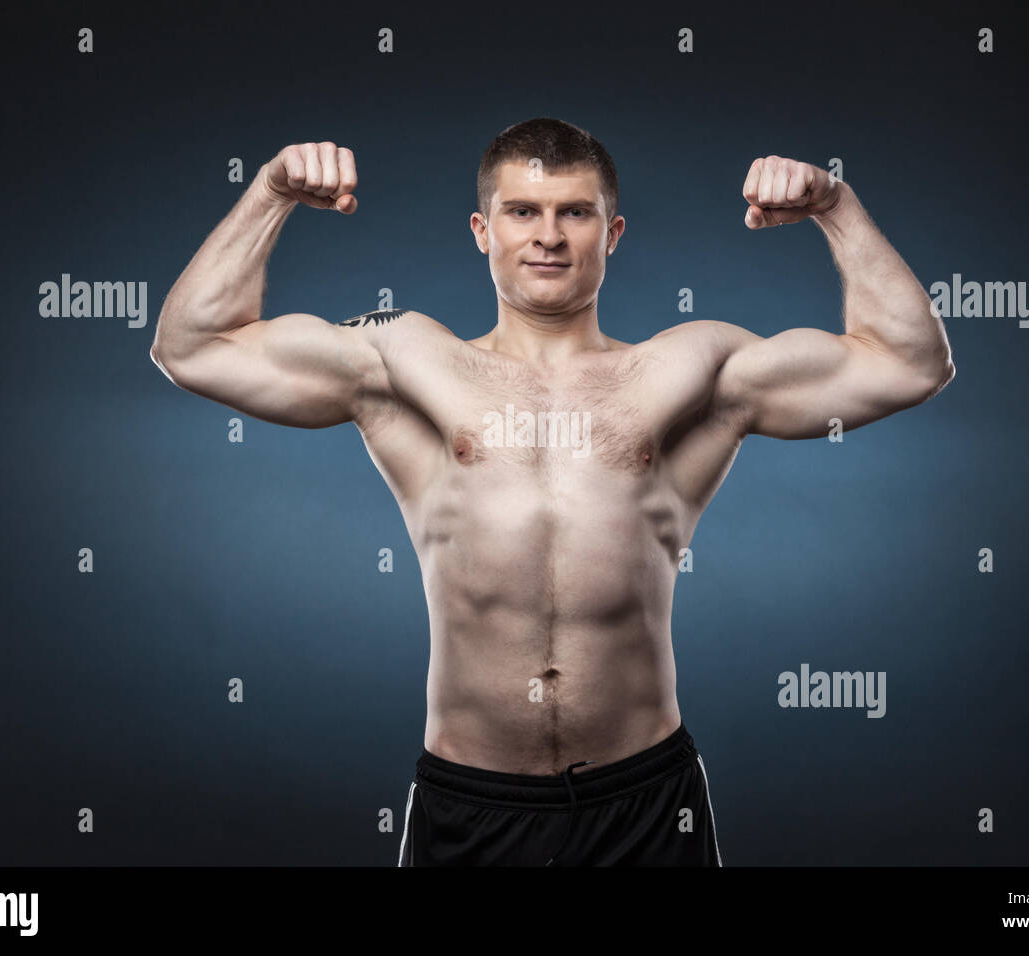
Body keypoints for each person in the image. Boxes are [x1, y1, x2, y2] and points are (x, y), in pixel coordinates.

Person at [149, 118, 955, 866]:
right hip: (472, 801)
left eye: (574, 213)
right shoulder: (404, 360)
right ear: (482, 231)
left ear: (613, 234)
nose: (546, 235)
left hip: (644, 802)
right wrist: (272, 193)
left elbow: (909, 362)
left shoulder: (690, 368)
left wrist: (835, 207)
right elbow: (191, 346)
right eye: (521, 211)